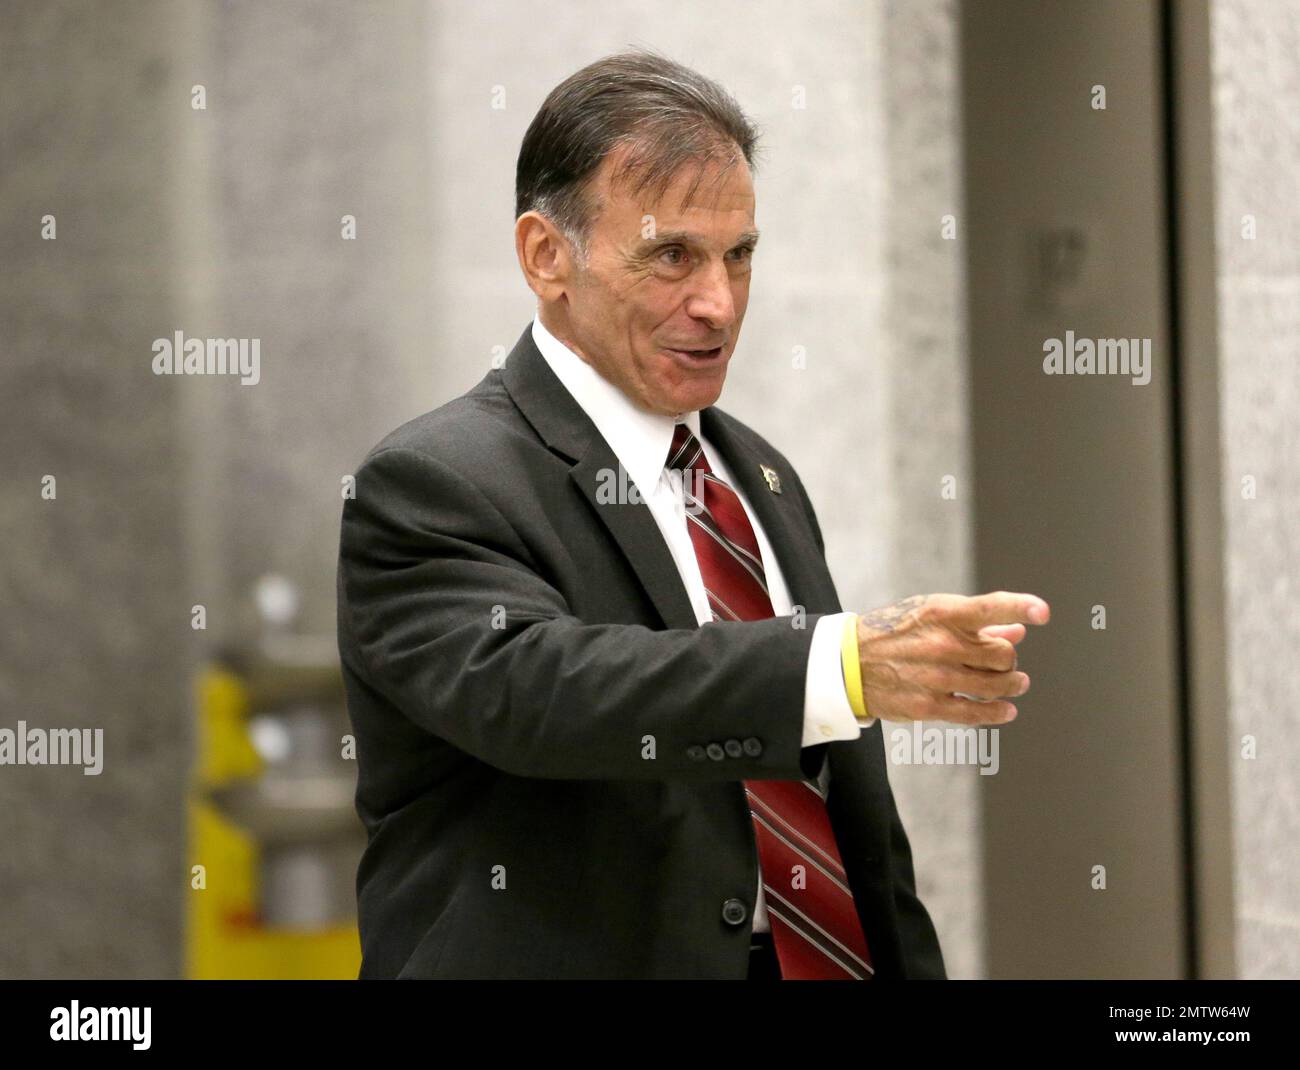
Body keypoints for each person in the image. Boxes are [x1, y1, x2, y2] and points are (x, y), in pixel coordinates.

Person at [336, 47, 1049, 980]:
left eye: (739, 255)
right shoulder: (431, 481)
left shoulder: (759, 475)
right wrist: (835, 664)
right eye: (671, 255)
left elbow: (855, 825)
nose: (717, 303)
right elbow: (547, 696)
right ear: (547, 257)